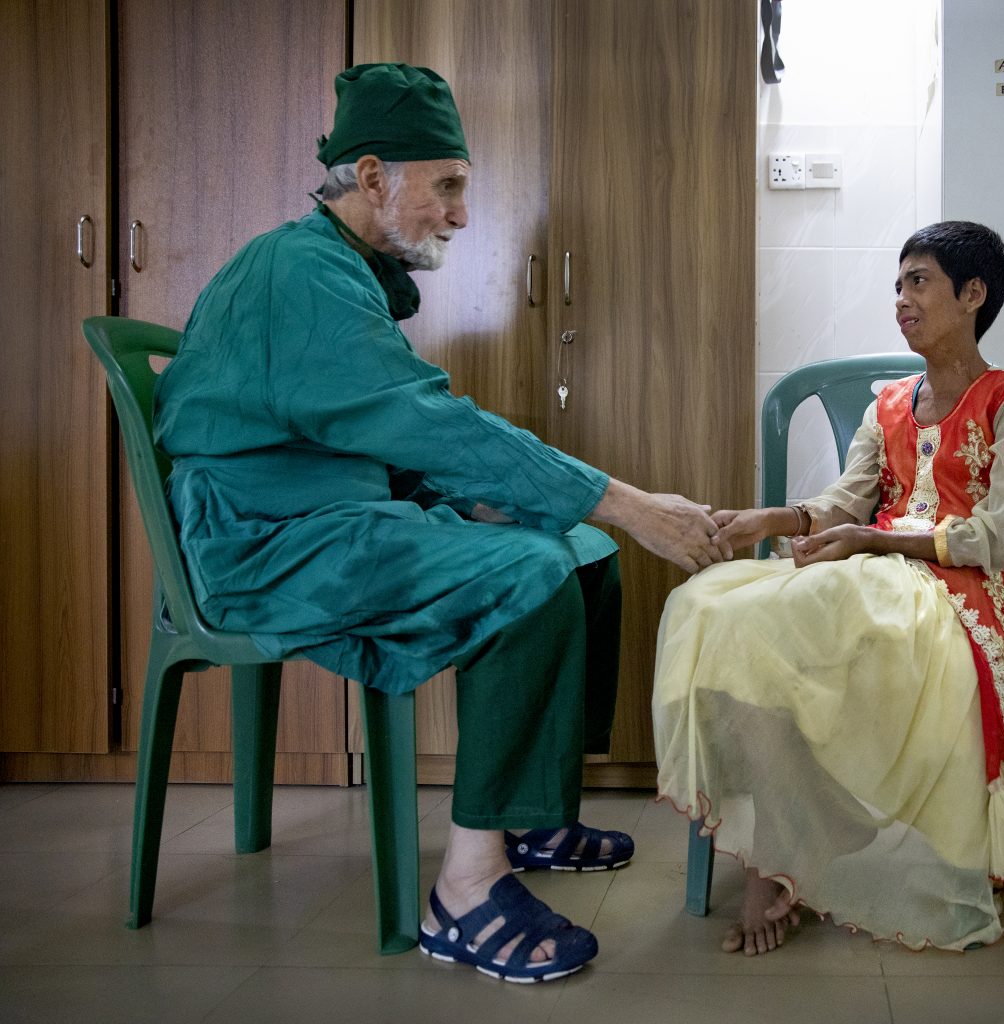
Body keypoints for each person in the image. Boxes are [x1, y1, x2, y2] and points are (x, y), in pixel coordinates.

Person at [155, 63, 732, 983]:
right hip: (265, 543)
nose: (462, 216)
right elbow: (421, 421)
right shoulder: (300, 272)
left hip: (332, 513)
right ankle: (464, 891)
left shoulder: (342, 269)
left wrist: (525, 503)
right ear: (376, 176)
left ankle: (529, 812)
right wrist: (625, 499)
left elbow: (377, 433)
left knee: (581, 554)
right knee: (534, 569)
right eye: (450, 186)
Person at [652, 221, 1004, 954]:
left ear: (973, 294)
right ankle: (790, 836)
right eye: (898, 284)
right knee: (713, 607)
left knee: (784, 623)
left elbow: (995, 539)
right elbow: (846, 500)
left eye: (919, 281)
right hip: (874, 577)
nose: (901, 298)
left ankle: (788, 853)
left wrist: (872, 538)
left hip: (958, 601)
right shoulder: (888, 404)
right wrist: (767, 519)